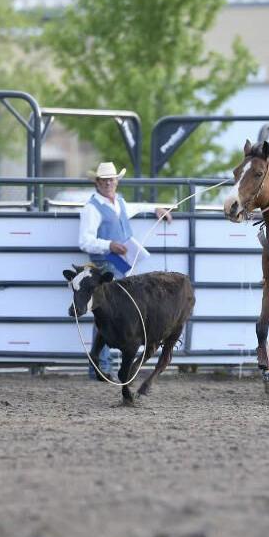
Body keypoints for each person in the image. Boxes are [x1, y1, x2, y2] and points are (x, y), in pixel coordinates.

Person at [77, 161, 171, 379]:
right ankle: (100, 365)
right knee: (106, 315)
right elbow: (85, 241)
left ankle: (101, 365)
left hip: (117, 264)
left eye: (112, 179)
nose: (109, 183)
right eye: (105, 180)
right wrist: (109, 245)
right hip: (105, 265)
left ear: (116, 181)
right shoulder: (91, 208)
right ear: (98, 183)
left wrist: (154, 208)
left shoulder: (118, 202)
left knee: (110, 315)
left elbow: (136, 207)